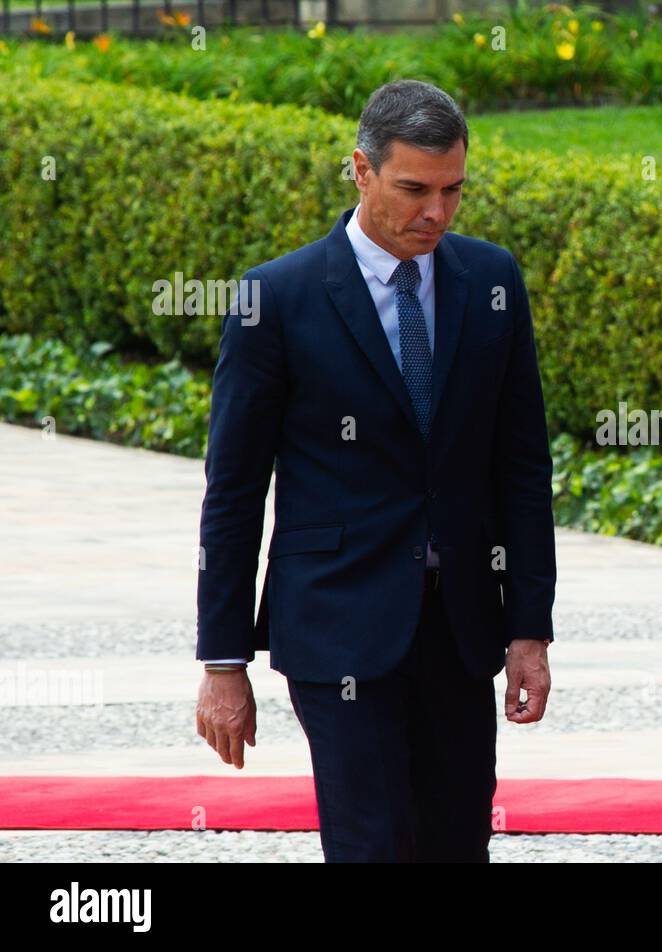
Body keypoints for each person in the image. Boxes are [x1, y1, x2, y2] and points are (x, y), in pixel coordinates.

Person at [194, 80, 556, 862]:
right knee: (370, 845)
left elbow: (522, 466)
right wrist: (224, 661)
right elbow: (233, 491)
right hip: (337, 625)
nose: (437, 212)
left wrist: (529, 628)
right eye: (414, 189)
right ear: (360, 170)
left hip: (460, 627)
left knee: (457, 841)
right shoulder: (275, 297)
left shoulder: (492, 282)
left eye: (454, 190)